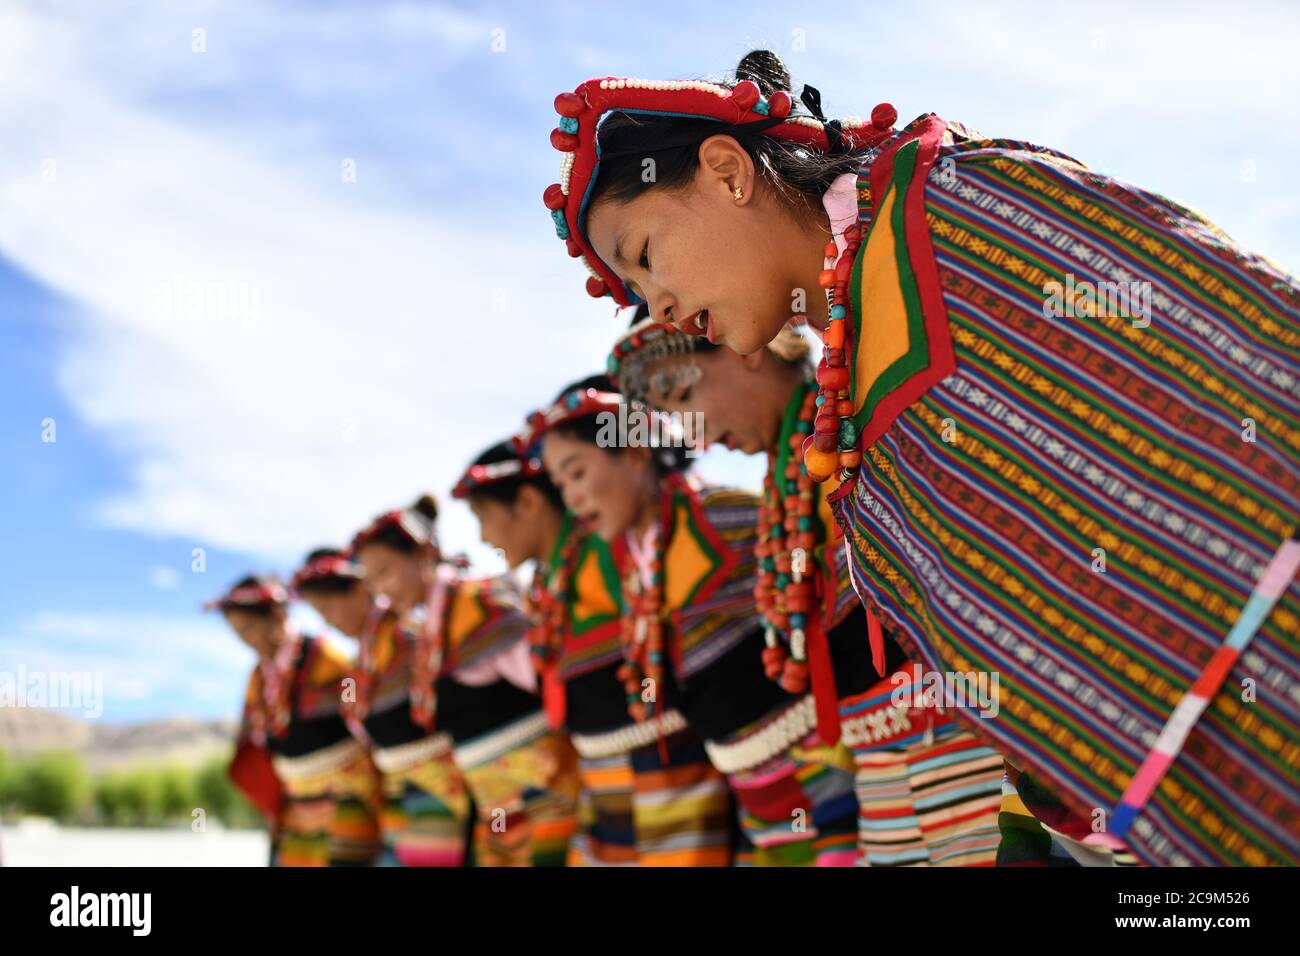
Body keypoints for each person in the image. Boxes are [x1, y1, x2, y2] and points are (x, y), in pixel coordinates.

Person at [539, 49, 1300, 866]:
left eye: (646, 256)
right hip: (1122, 803)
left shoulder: (955, 206)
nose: (657, 306)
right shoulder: (852, 384)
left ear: (728, 172)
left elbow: (1239, 356)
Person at [610, 304, 1004, 865]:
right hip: (875, 752)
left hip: (951, 732)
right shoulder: (786, 471)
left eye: (681, 398)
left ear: (743, 347)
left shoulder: (852, 422)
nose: (689, 429)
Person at [531, 375, 864, 865]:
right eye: (561, 485)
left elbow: (828, 556)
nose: (572, 500)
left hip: (820, 773)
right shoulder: (632, 560)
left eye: (577, 474)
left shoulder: (717, 518)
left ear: (634, 452)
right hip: (750, 792)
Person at [351, 494, 577, 866]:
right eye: (372, 582)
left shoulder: (479, 602)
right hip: (495, 802)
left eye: (385, 573)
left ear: (424, 554)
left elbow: (551, 681)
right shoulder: (424, 629)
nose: (382, 593)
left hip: (543, 791)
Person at [208, 574, 380, 866]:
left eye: (249, 628)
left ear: (276, 615)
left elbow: (365, 719)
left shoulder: (325, 658)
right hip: (296, 802)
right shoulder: (258, 677)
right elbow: (254, 739)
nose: (246, 640)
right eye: (238, 633)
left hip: (347, 796)